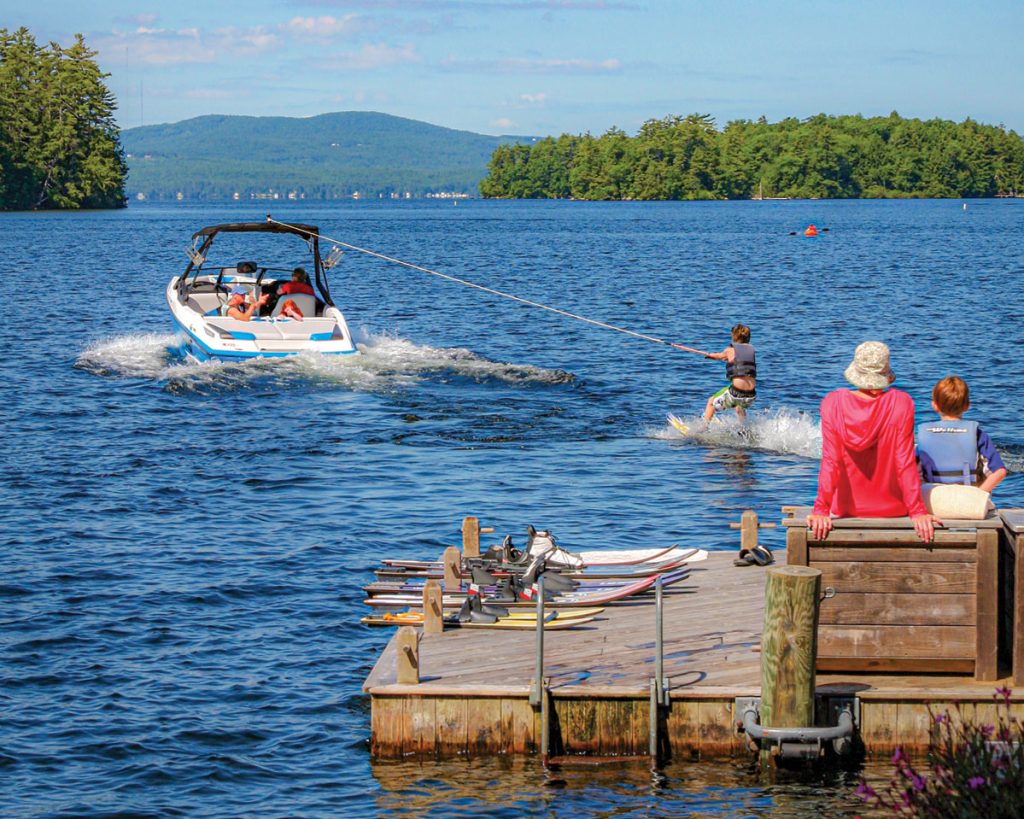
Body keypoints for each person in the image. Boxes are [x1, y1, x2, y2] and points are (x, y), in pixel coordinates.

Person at [806, 341, 941, 543]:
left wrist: (821, 509)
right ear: (885, 373)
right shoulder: (901, 403)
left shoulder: (833, 402)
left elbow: (830, 461)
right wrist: (917, 511)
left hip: (845, 508)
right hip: (893, 508)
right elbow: (904, 462)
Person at [917, 375, 1006, 494]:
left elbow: (910, 473)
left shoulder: (924, 437)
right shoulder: (978, 436)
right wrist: (978, 495)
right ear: (967, 406)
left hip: (933, 502)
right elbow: (999, 471)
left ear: (934, 406)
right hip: (970, 501)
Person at [703, 323, 756, 424]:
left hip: (735, 393)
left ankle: (702, 429)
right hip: (751, 395)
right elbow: (740, 361)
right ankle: (744, 429)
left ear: (734, 336)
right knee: (739, 406)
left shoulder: (729, 350)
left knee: (710, 402)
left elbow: (719, 356)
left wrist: (709, 355)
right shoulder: (752, 349)